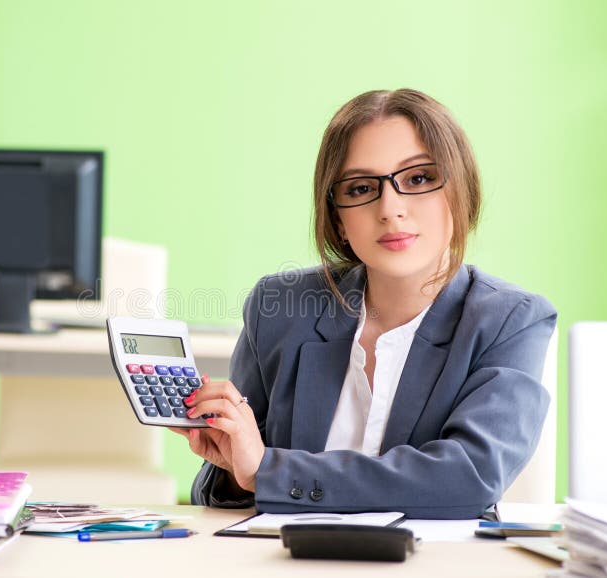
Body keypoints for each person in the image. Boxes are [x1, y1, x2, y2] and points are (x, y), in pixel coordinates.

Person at [174, 88, 556, 519]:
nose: (390, 209)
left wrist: (268, 470)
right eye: (360, 188)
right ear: (338, 218)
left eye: (418, 179)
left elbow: (467, 480)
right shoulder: (279, 307)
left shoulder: (512, 320)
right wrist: (230, 465)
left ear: (459, 190)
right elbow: (230, 487)